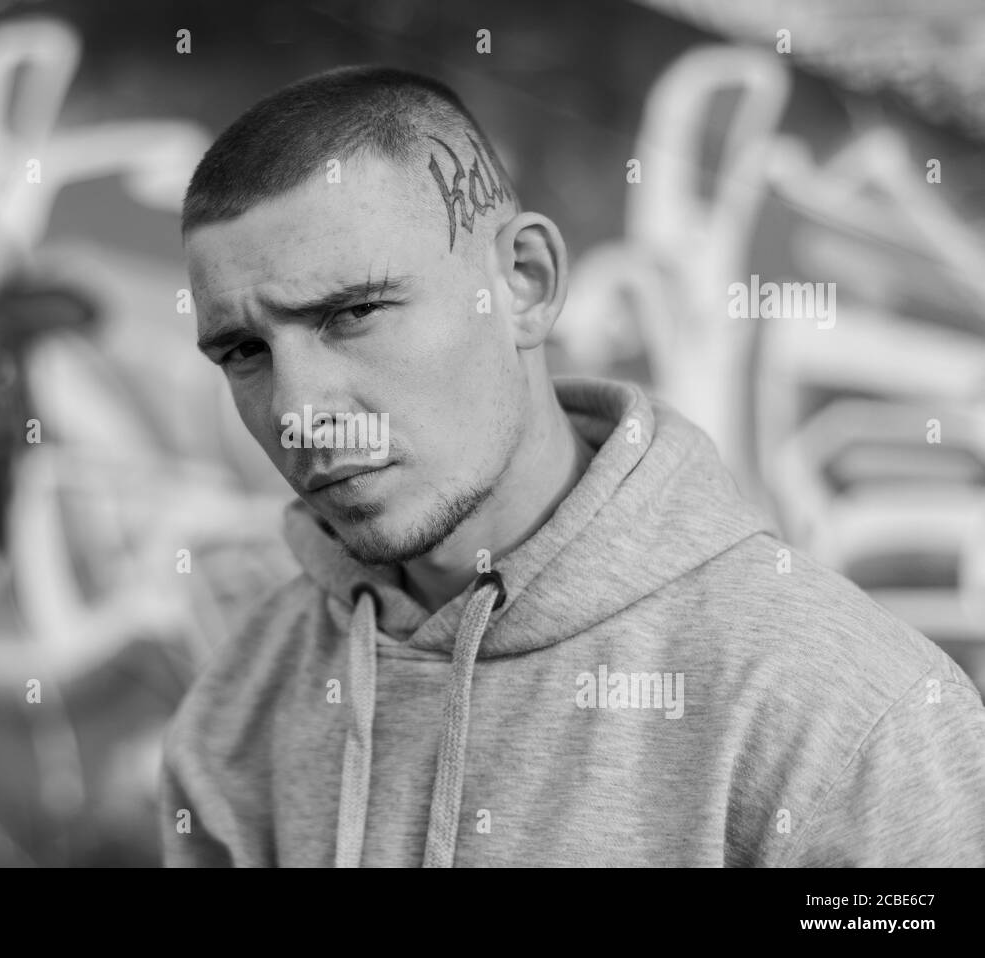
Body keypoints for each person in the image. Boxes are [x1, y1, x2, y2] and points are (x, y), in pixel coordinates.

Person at [159, 64, 985, 867]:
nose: (299, 413)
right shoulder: (242, 705)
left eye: (353, 312)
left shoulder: (842, 711)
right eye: (243, 350)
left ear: (524, 283)